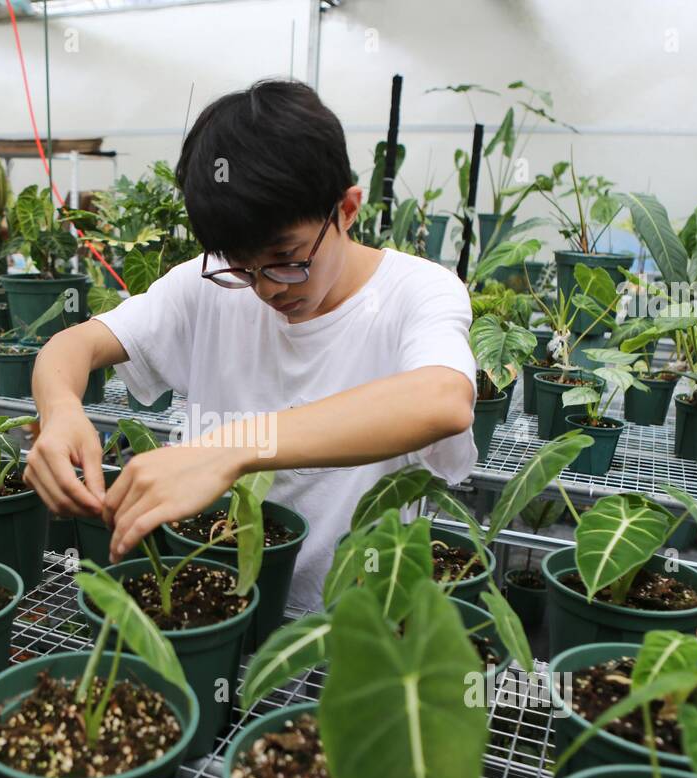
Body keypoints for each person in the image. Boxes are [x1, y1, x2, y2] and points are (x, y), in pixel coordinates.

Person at [25, 79, 477, 611]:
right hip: (214, 604)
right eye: (243, 265)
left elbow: (441, 400)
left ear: (348, 209)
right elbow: (74, 345)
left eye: (287, 257)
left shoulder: (414, 291)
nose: (266, 288)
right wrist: (59, 412)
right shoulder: (205, 286)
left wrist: (228, 450)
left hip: (347, 623)